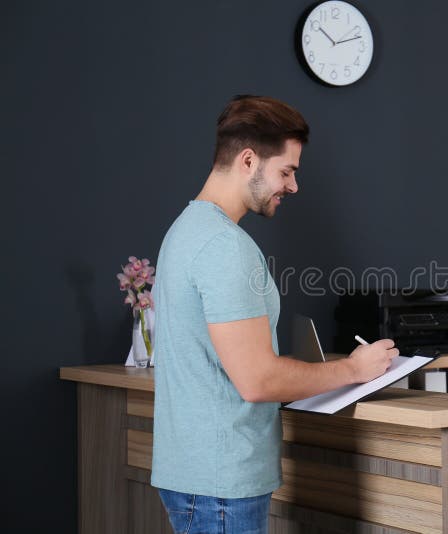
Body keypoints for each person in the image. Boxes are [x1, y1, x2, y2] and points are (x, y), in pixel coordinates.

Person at [150, 95, 399, 534]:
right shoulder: (225, 247)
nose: (293, 186)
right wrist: (354, 369)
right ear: (248, 161)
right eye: (287, 171)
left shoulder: (185, 230)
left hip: (196, 475)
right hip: (221, 482)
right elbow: (258, 379)